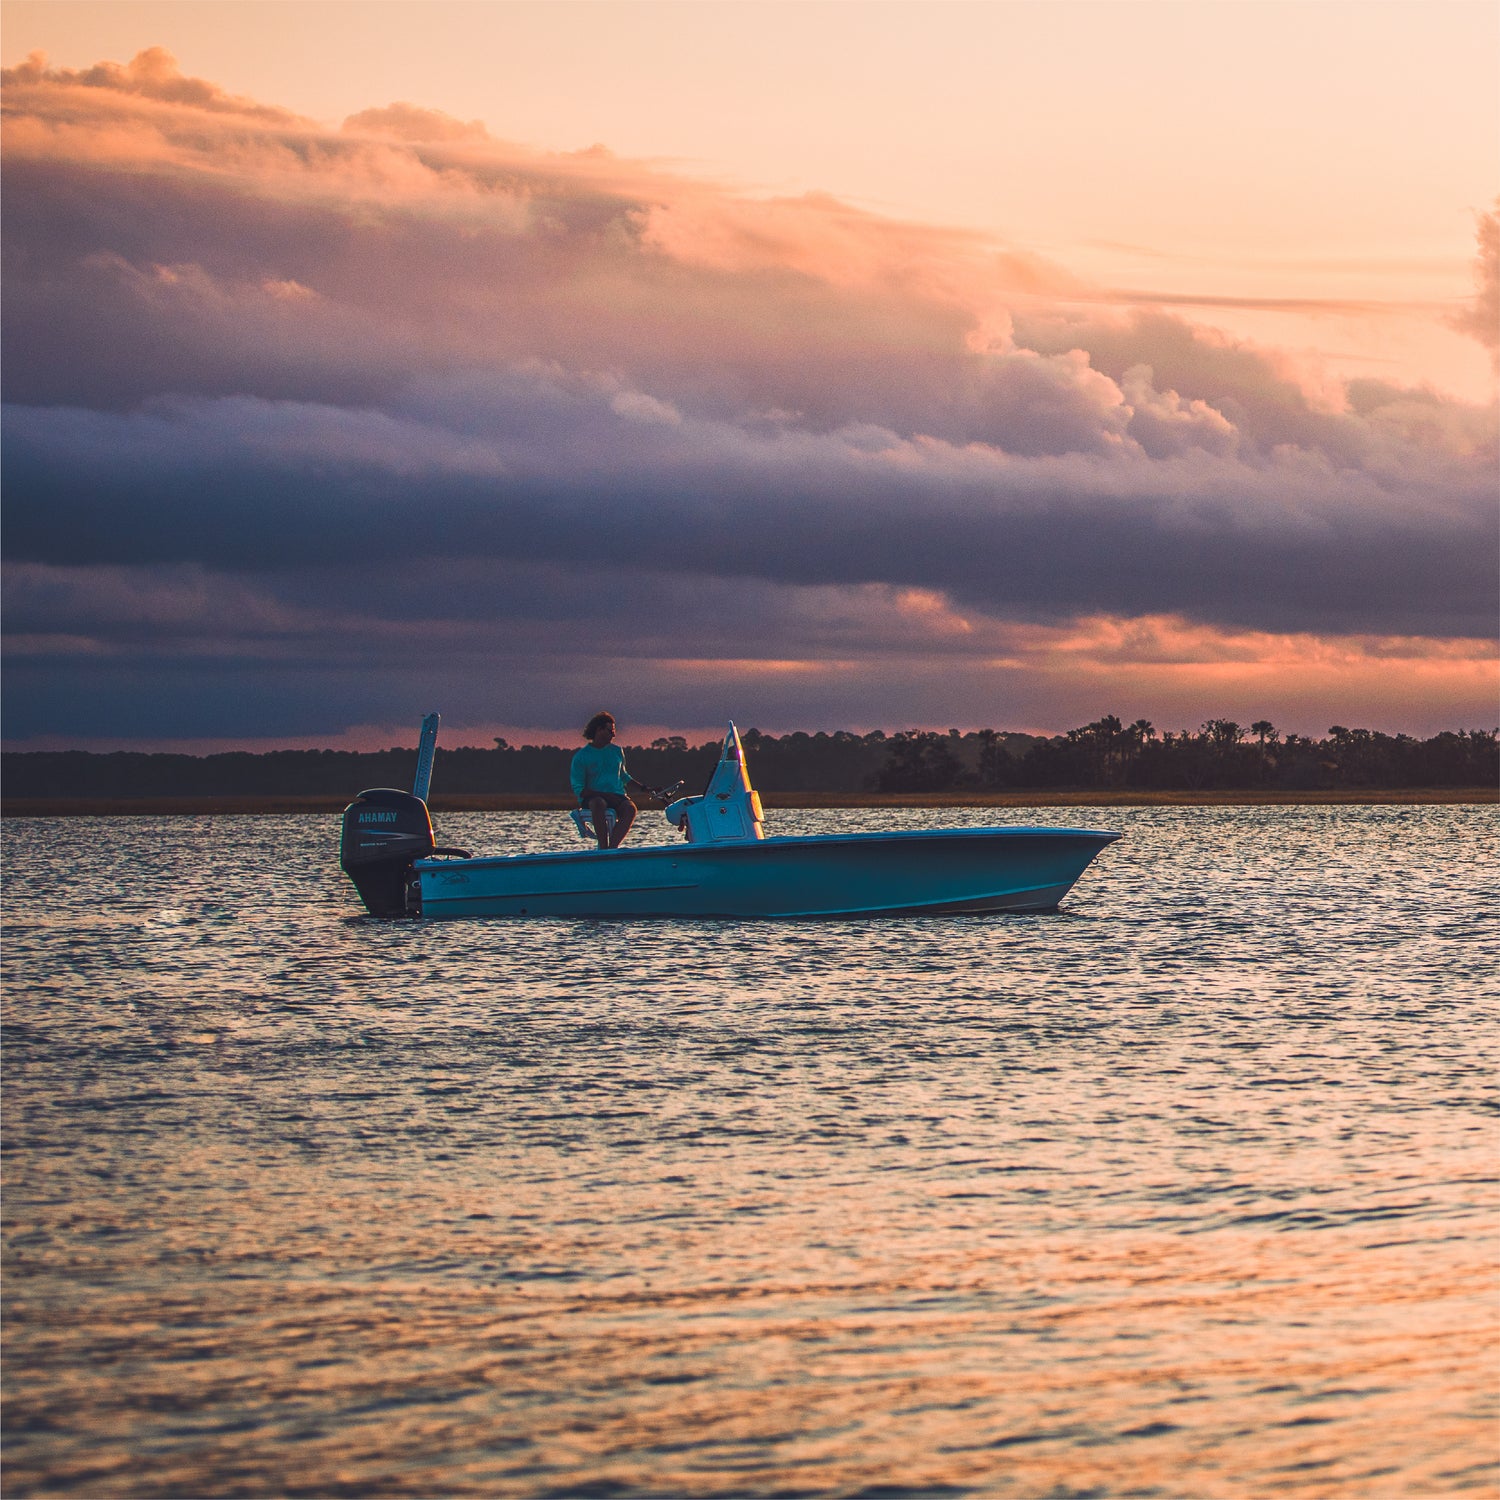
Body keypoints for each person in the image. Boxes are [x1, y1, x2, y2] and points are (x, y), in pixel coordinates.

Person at [570, 712, 653, 849]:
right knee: (599, 803)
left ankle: (612, 848)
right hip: (593, 798)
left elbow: (624, 776)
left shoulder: (617, 751)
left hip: (617, 796)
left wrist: (644, 788)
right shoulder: (581, 756)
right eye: (610, 731)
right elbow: (579, 789)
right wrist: (604, 795)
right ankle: (603, 847)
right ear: (599, 730)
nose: (613, 735)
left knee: (630, 808)